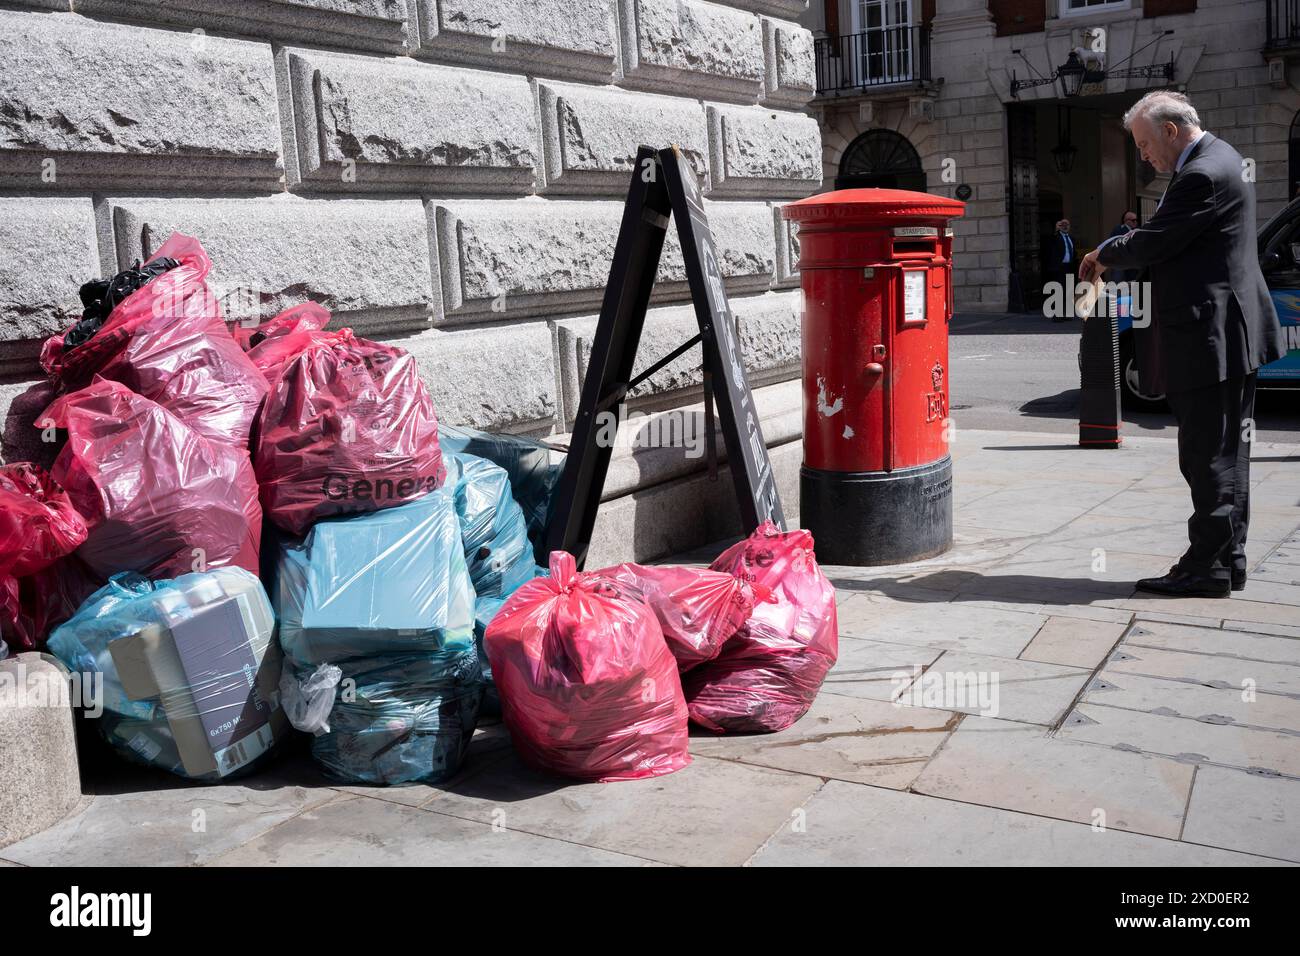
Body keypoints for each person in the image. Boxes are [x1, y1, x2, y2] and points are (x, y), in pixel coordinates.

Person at [1079, 91, 1286, 598]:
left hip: (1209, 334)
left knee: (1206, 455)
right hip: (1228, 330)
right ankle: (1228, 558)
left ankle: (1205, 567)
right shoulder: (1224, 157)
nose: (1144, 155)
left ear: (1171, 131)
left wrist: (1104, 252)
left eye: (1146, 144)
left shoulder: (1201, 175)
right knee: (1228, 452)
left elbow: (1157, 239)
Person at [1045, 219, 1077, 321]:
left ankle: (1067, 314)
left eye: (1067, 224)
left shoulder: (1071, 238)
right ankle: (1058, 315)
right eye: (1062, 224)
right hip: (1059, 267)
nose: (1065, 226)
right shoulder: (1056, 237)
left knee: (1069, 291)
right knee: (1059, 291)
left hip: (1069, 267)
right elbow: (1050, 244)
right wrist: (1055, 230)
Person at [1105, 211, 1139, 283]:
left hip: (1130, 264)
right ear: (1126, 221)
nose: (1135, 222)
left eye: (1136, 220)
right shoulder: (1119, 229)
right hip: (1120, 263)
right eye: (1133, 220)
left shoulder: (1135, 230)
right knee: (1118, 284)